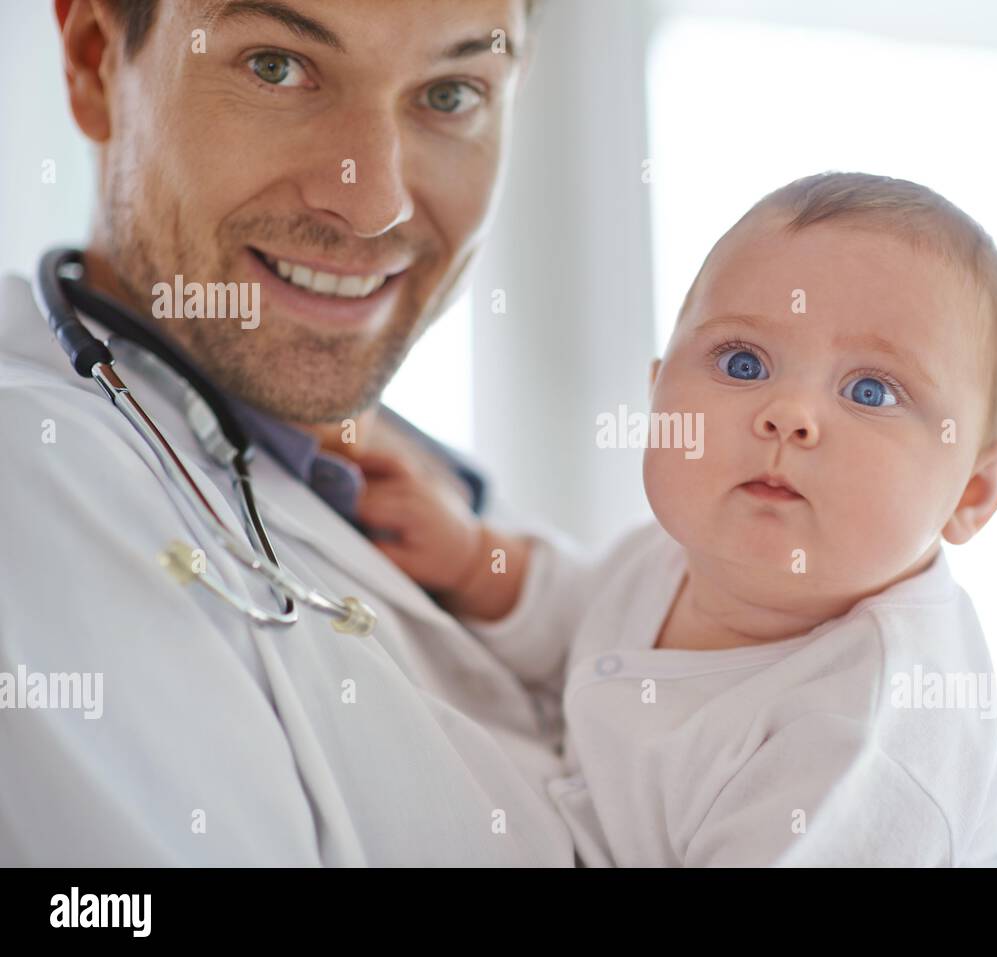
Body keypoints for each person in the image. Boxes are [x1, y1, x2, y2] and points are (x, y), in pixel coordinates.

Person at [0, 0, 575, 865]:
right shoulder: (32, 471)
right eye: (276, 67)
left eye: (451, 93)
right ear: (92, 62)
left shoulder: (428, 510)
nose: (373, 201)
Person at [352, 173, 997, 866]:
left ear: (973, 492)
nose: (789, 414)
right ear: (657, 394)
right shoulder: (677, 556)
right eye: (744, 362)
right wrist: (474, 560)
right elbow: (583, 611)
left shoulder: (869, 746)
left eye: (870, 390)